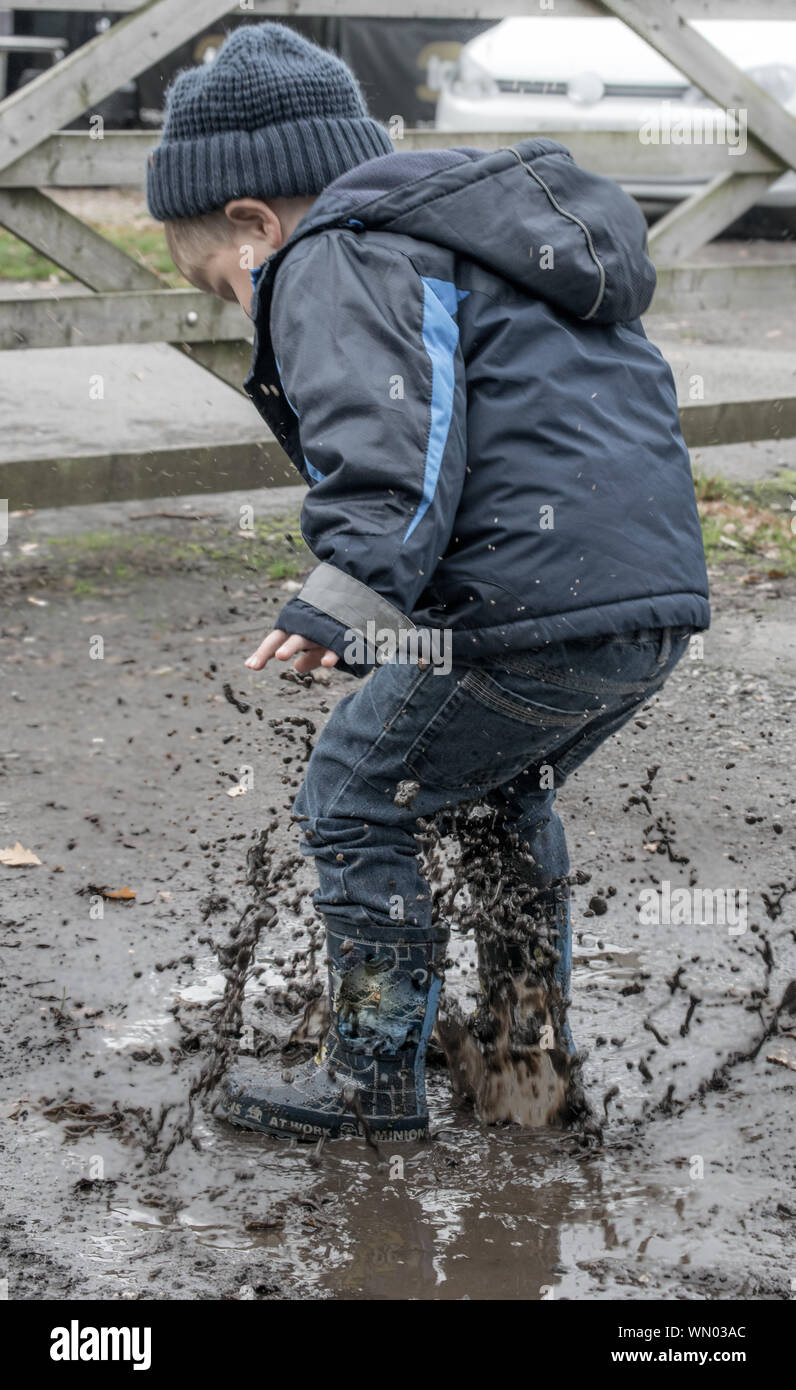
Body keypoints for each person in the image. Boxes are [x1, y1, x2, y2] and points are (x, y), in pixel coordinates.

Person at [147, 22, 709, 1141]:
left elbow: (399, 438)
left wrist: (348, 590)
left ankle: (372, 1081)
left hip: (523, 615)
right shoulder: (484, 242)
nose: (236, 305)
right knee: (500, 797)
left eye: (221, 285)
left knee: (355, 791)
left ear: (255, 225)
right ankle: (525, 1073)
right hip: (638, 606)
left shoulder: (335, 254)